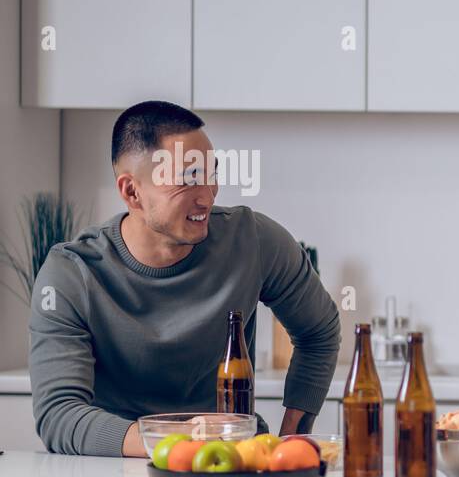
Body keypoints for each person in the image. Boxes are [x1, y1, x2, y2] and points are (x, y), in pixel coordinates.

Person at [29, 100, 340, 456]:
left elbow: (320, 332)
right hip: (113, 471)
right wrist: (175, 442)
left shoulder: (253, 240)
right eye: (188, 179)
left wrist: (291, 441)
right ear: (132, 192)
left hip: (232, 465)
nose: (207, 196)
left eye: (211, 174)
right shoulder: (72, 272)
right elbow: (59, 415)